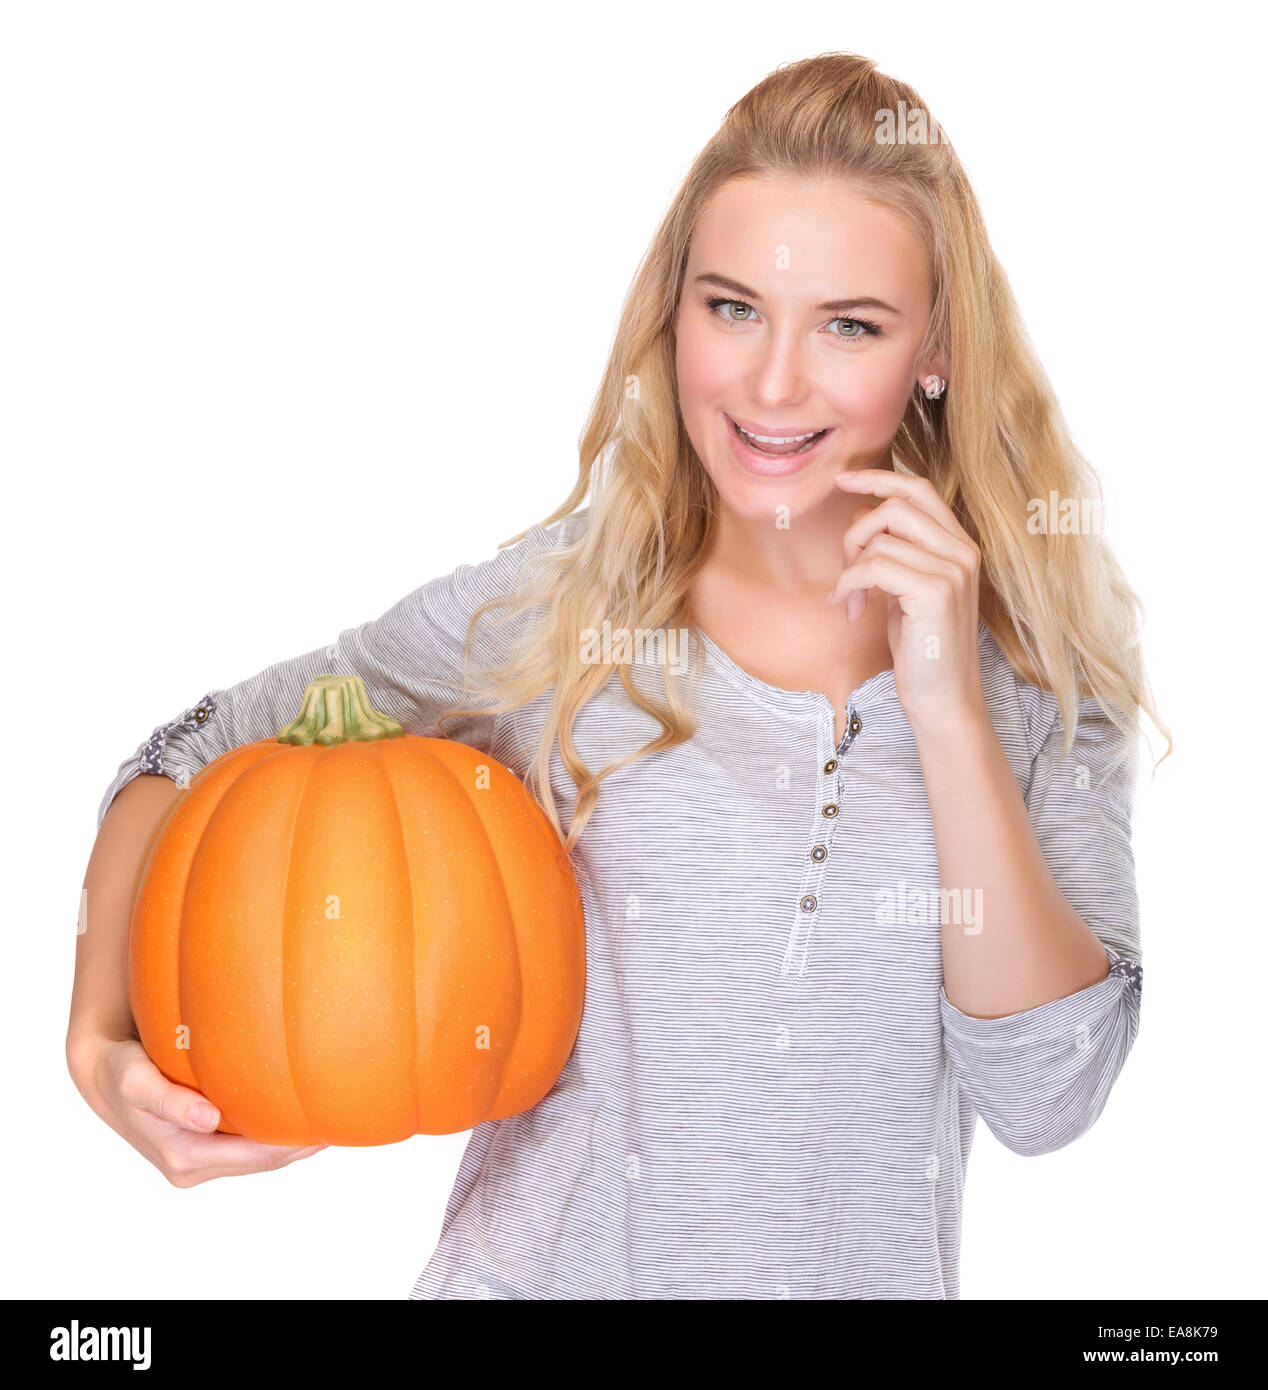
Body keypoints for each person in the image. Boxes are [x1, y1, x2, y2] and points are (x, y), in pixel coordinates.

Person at [68, 51, 1165, 1299]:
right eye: (730, 307)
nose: (768, 384)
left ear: (936, 345)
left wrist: (947, 716)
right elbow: (193, 745)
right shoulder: (560, 608)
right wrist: (99, 1042)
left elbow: (1047, 1095)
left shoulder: (1040, 672)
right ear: (672, 313)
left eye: (846, 325)